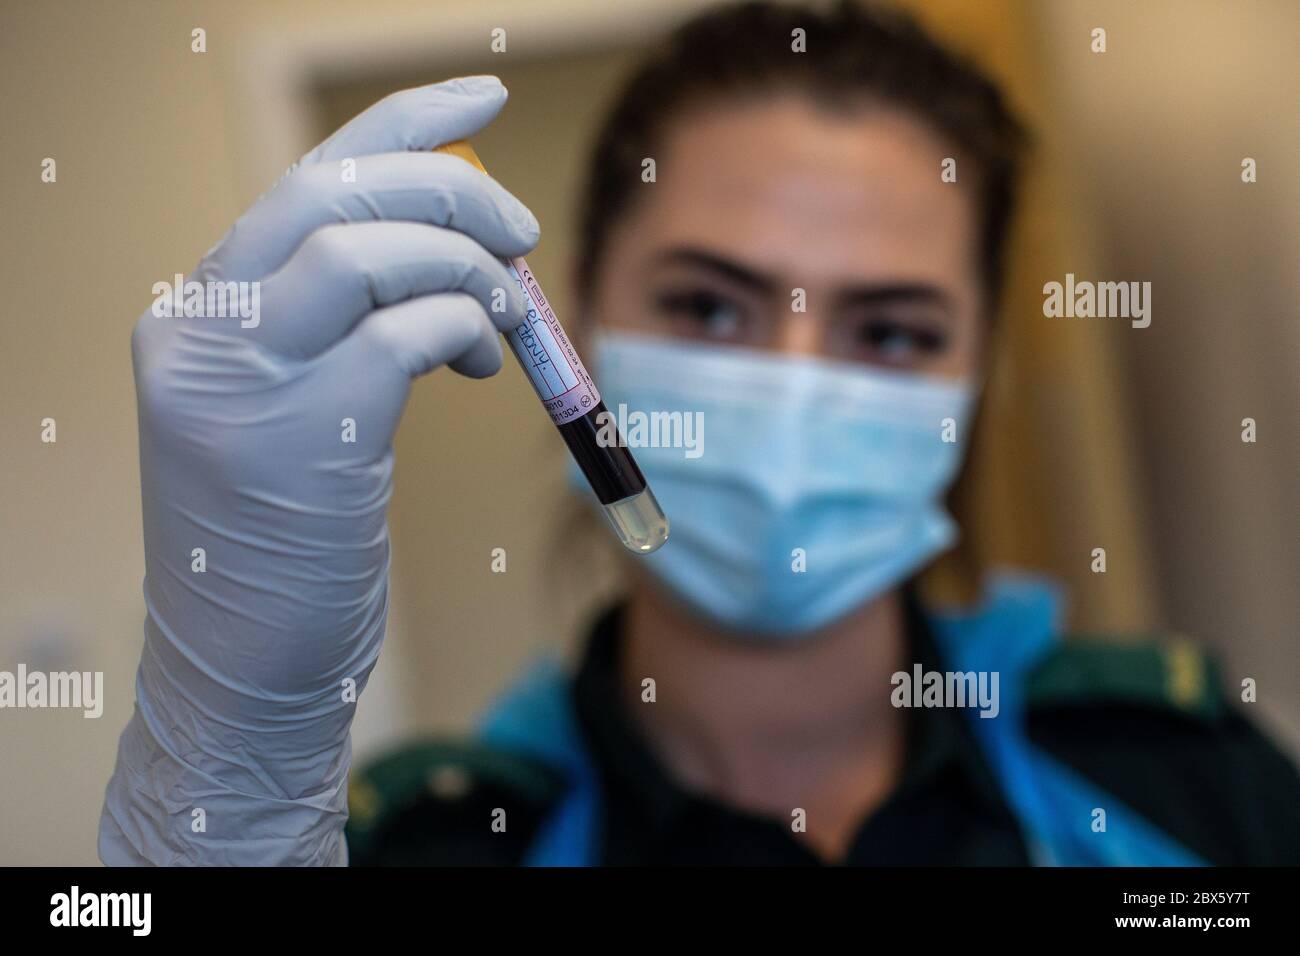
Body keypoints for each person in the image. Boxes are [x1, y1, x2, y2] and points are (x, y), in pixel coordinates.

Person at [100, 1, 1298, 867]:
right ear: (568, 313)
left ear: (976, 366)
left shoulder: (1185, 784)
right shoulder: (432, 841)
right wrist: (224, 772)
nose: (789, 386)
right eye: (710, 307)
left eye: (887, 330)